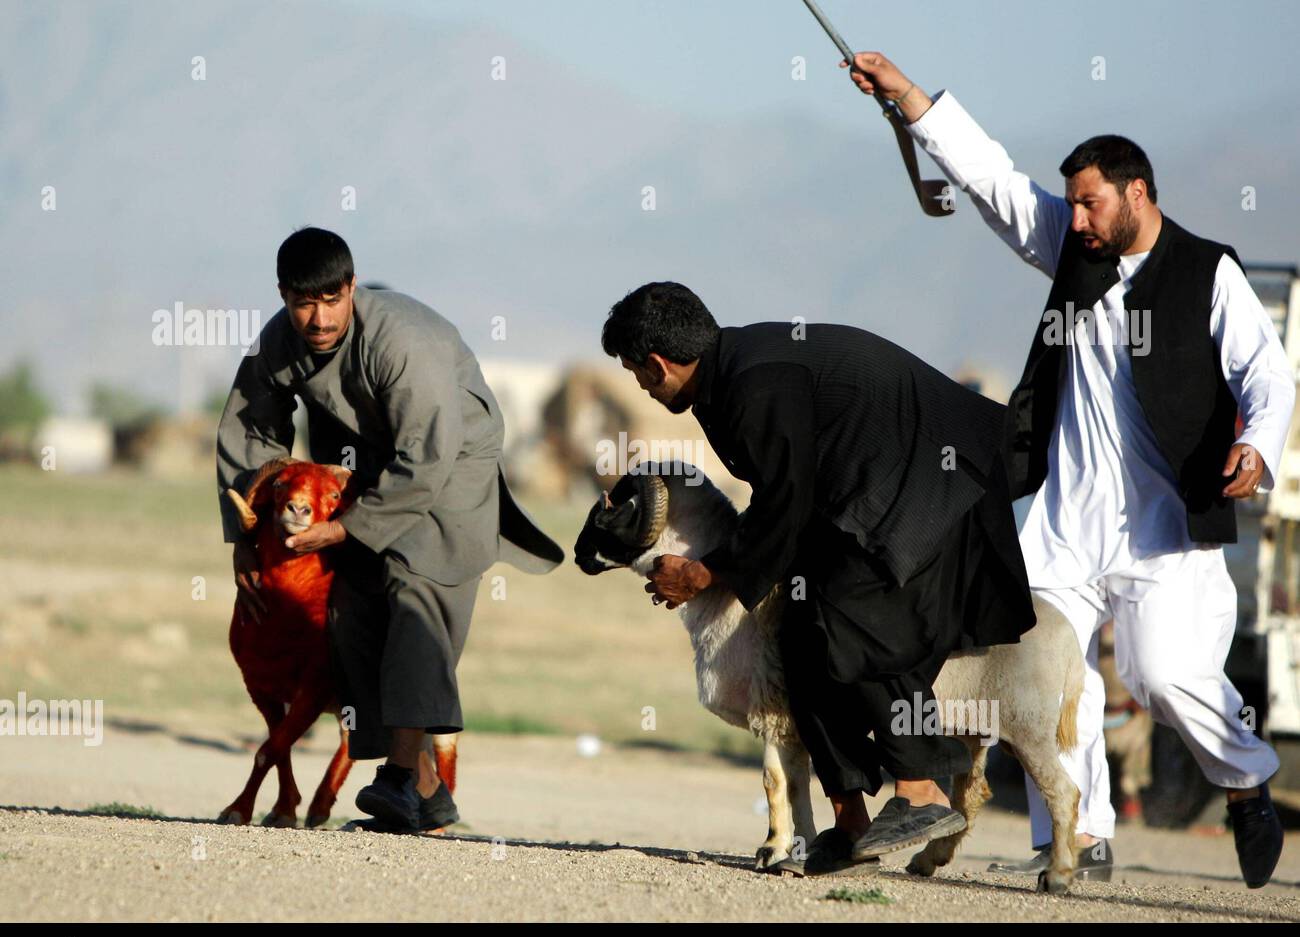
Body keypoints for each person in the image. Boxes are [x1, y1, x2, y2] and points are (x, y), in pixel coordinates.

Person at [841, 51, 1291, 887]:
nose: (1076, 218)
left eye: (1091, 202)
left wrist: (1258, 442)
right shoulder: (1073, 249)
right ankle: (1077, 836)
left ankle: (1245, 779)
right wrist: (906, 97)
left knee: (1164, 676)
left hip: (1166, 524)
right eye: (1074, 203)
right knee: (1043, 671)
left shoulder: (1208, 272)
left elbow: (1268, 374)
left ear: (1138, 195)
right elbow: (995, 185)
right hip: (1065, 519)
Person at [601, 281, 1037, 874]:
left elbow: (786, 500)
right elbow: (788, 497)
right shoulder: (727, 381)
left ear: (658, 362)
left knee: (842, 612)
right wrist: (726, 567)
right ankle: (851, 821)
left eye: (639, 375)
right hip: (877, 492)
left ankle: (921, 789)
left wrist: (707, 572)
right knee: (799, 632)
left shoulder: (753, 384)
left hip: (943, 477)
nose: (643, 389)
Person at [216, 227, 562, 831]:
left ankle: (399, 780)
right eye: (303, 302)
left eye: (331, 299)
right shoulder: (278, 341)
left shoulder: (404, 342)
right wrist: (248, 536)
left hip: (451, 465)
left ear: (352, 288)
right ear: (283, 295)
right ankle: (429, 793)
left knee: (415, 591)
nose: (318, 317)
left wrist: (348, 530)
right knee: (350, 608)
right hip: (371, 467)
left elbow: (426, 457)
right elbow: (251, 435)